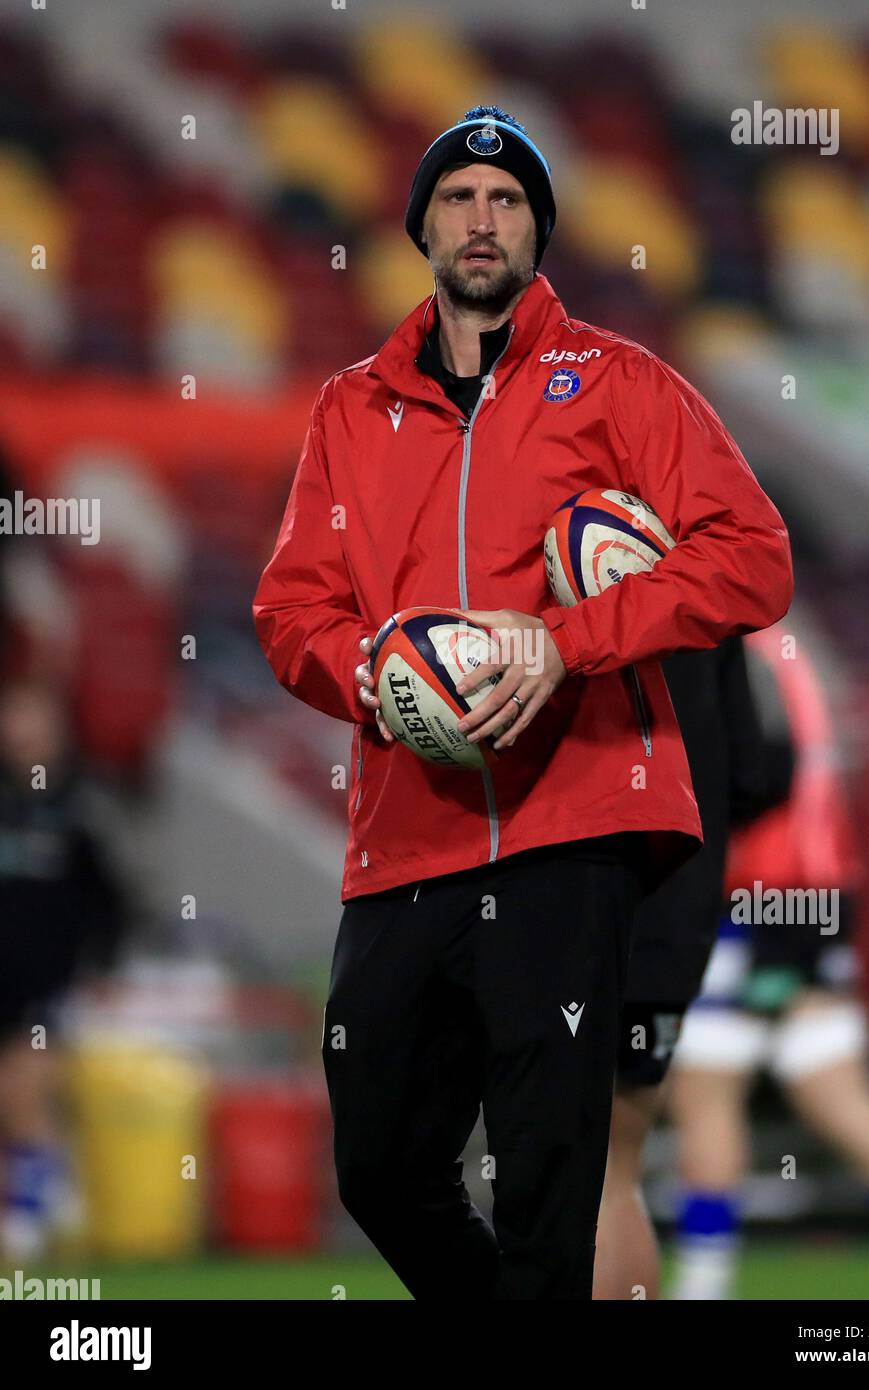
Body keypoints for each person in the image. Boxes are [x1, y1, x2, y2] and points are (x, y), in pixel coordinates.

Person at [253, 105, 793, 1300]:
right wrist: (376, 678)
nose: (481, 218)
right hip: (402, 842)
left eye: (506, 201)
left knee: (551, 1186)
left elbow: (754, 555)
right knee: (382, 1167)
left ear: (538, 232)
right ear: (420, 228)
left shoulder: (620, 383)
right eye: (458, 197)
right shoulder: (350, 407)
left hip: (572, 830)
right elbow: (288, 611)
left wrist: (564, 644)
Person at [667, 626, 869, 1299]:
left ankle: (703, 1284)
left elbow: (756, 773)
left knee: (707, 1098)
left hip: (749, 900)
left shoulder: (723, 643)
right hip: (818, 897)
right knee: (838, 1097)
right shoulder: (791, 645)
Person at [595, 636, 795, 1298]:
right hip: (677, 913)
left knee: (554, 1173)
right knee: (614, 1172)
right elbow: (758, 771)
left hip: (564, 901)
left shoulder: (544, 571)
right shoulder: (708, 591)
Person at [0, 676, 126, 1260]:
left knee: (23, 1090)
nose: (21, 731)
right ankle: (56, 1186)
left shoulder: (78, 811)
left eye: (34, 718)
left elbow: (111, 900)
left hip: (46, 982)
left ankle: (25, 1220)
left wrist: (101, 964)